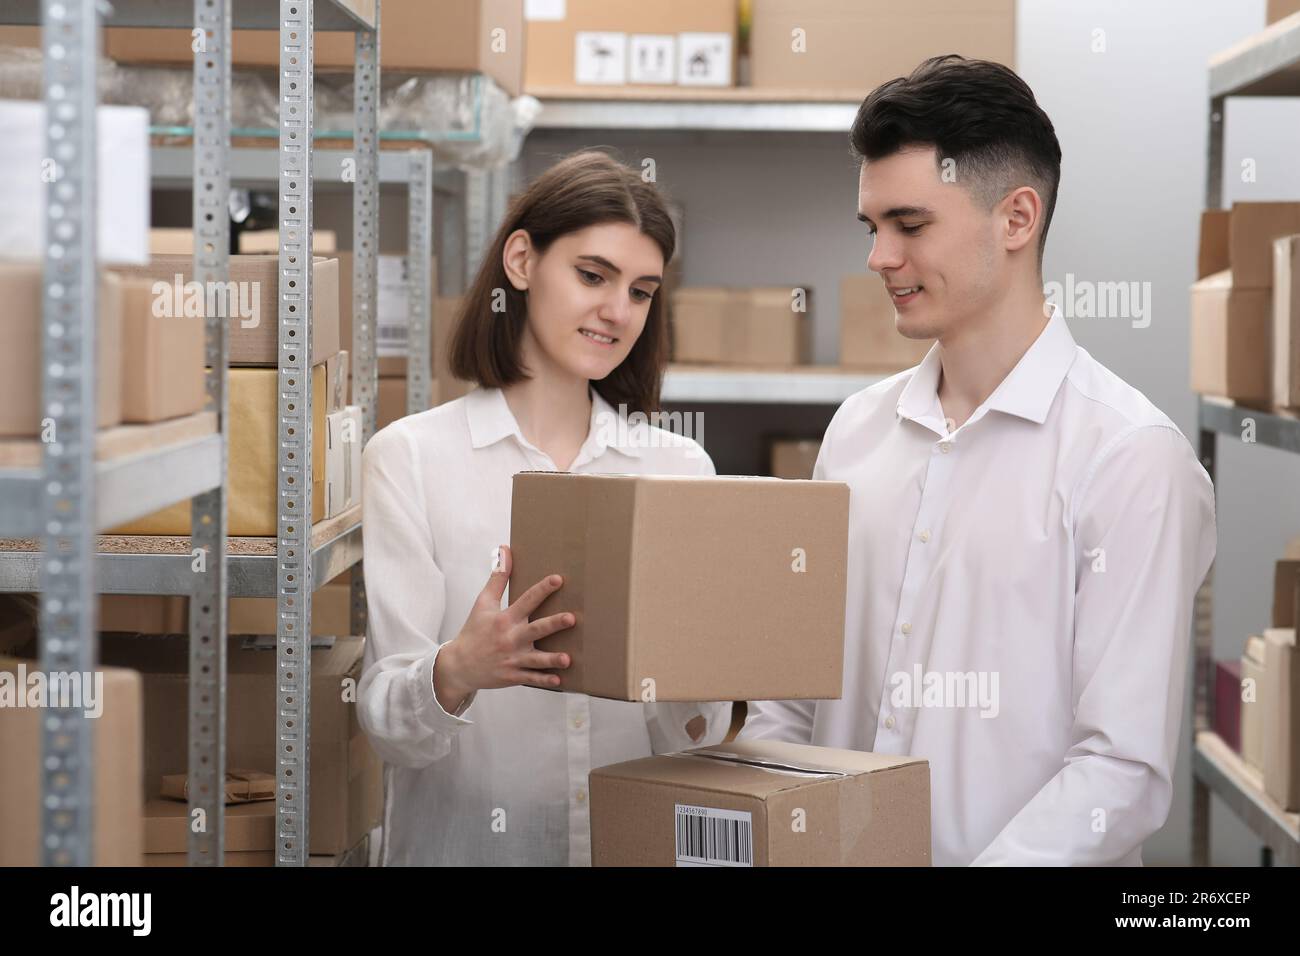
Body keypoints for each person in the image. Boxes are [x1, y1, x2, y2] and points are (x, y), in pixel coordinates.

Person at [741, 55, 1217, 866]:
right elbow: (791, 700)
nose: (878, 257)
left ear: (1018, 218)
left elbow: (1121, 773)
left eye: (910, 225)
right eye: (872, 228)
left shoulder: (1131, 459)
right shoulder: (856, 432)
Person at [357, 150, 731, 866]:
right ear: (522, 261)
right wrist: (457, 669)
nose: (617, 311)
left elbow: (697, 744)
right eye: (593, 276)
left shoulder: (678, 468)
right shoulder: (412, 458)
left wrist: (708, 667)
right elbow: (384, 726)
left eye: (642, 291)